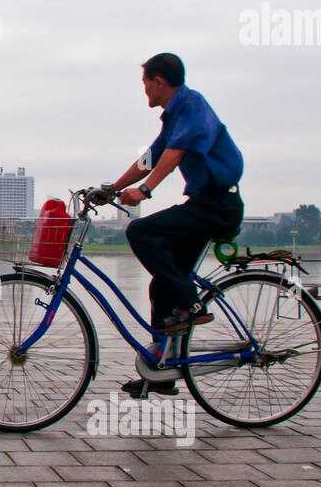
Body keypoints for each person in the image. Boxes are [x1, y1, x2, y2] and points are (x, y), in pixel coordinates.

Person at [103, 53, 244, 398]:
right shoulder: (176, 114)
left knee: (140, 231)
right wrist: (113, 188)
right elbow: (152, 156)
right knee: (161, 289)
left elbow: (174, 154)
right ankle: (163, 372)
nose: (144, 91)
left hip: (218, 204)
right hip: (205, 203)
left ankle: (192, 303)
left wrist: (145, 191)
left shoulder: (192, 106)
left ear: (159, 82)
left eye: (145, 83)